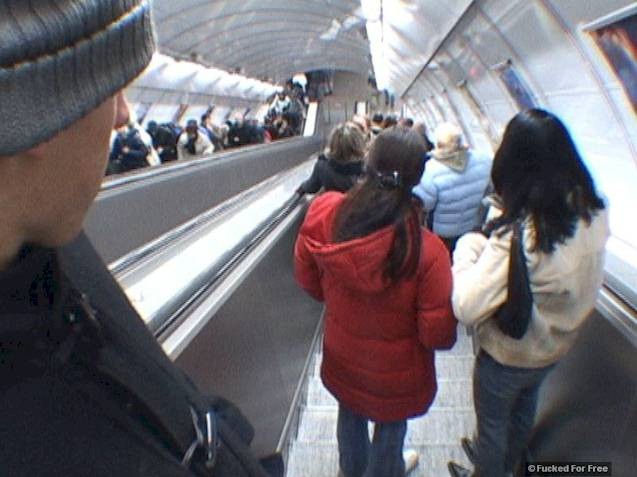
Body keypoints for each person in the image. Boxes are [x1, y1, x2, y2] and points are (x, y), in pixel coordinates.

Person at [0, 2, 280, 476]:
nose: (124, 116)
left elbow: (167, 395)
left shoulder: (56, 252)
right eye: (113, 89)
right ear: (39, 109)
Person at [447, 109, 609, 477]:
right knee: (522, 413)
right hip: (553, 350)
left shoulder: (521, 235)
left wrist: (469, 248)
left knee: (491, 428)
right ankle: (509, 466)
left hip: (508, 355)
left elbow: (465, 306)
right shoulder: (593, 211)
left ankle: (488, 470)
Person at [294, 127, 457, 477]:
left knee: (349, 415)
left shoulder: (325, 214)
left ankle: (351, 471)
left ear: (368, 160)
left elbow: (309, 281)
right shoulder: (429, 252)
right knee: (391, 428)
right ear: (417, 177)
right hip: (399, 373)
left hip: (343, 356)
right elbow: (437, 335)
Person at [413, 122, 491, 253]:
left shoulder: (431, 171)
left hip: (443, 235)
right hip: (472, 230)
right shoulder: (484, 161)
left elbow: (424, 204)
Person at [297, 122, 366, 195]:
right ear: (358, 144)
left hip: (335, 204)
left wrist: (301, 188)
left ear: (333, 143)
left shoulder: (322, 166)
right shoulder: (366, 168)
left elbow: (311, 187)